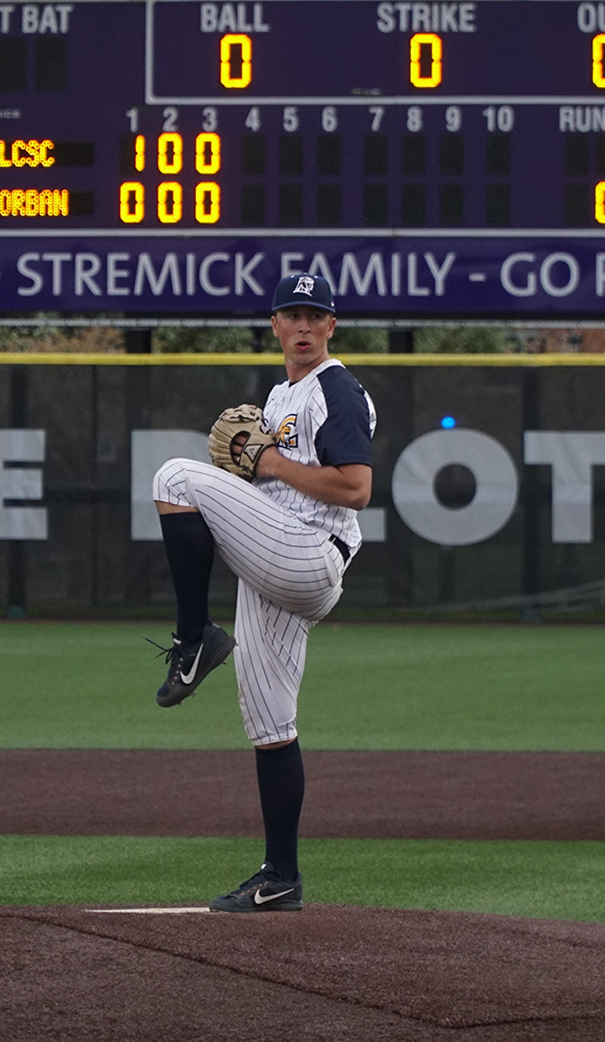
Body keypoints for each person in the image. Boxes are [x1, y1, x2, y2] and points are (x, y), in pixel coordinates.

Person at [150, 273, 376, 913]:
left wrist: (268, 462)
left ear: (331, 326)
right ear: (274, 325)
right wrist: (252, 471)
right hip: (275, 553)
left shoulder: (336, 387)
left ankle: (194, 639)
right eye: (292, 314)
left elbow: (356, 488)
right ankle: (281, 877)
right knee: (270, 722)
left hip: (308, 551)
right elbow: (264, 480)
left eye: (315, 315)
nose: (303, 325)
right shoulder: (279, 396)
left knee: (174, 477)